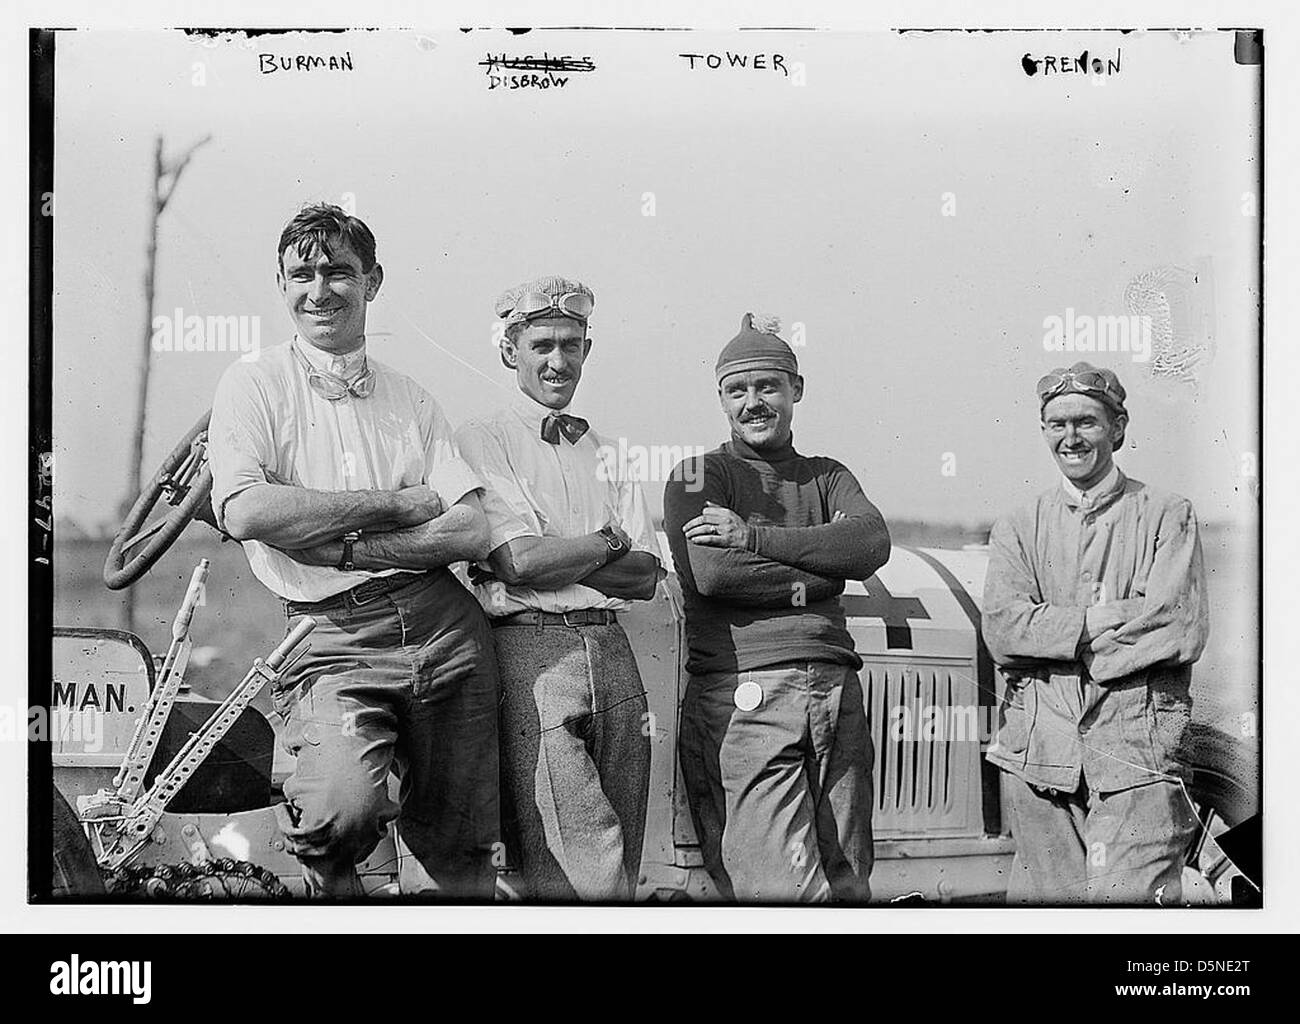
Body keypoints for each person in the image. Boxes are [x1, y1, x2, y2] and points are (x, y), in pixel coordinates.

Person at [207, 203, 500, 898]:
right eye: (302, 273)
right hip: (331, 639)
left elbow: (468, 530)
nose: (320, 290)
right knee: (341, 812)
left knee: (458, 844)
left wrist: (342, 549)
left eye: (339, 271)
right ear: (280, 284)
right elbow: (248, 509)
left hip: (446, 627)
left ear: (372, 281)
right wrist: (399, 503)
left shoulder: (412, 397)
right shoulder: (252, 383)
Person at [663, 313, 891, 903]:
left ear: (797, 389)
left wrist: (754, 539)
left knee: (848, 883)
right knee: (778, 890)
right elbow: (713, 575)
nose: (754, 402)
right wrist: (825, 570)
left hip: (838, 691)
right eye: (737, 390)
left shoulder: (828, 475)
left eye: (768, 386)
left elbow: (870, 545)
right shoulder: (698, 476)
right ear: (720, 398)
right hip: (747, 695)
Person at [454, 276, 663, 901]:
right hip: (532, 654)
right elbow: (517, 562)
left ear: (586, 350)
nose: (557, 360)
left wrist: (565, 556)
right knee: (578, 859)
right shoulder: (483, 439)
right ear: (509, 350)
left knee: (620, 851)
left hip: (613, 650)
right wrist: (609, 540)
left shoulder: (607, 450)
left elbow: (647, 576)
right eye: (541, 344)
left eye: (570, 344)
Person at [982, 360, 1210, 904]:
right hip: (1038, 756)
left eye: (1085, 421)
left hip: (1138, 753)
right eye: (1057, 424)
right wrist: (1097, 620)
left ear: (1117, 428)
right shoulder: (1019, 524)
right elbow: (1003, 630)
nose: (1071, 437)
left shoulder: (1167, 514)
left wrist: (1057, 640)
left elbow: (1179, 626)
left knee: (1126, 908)